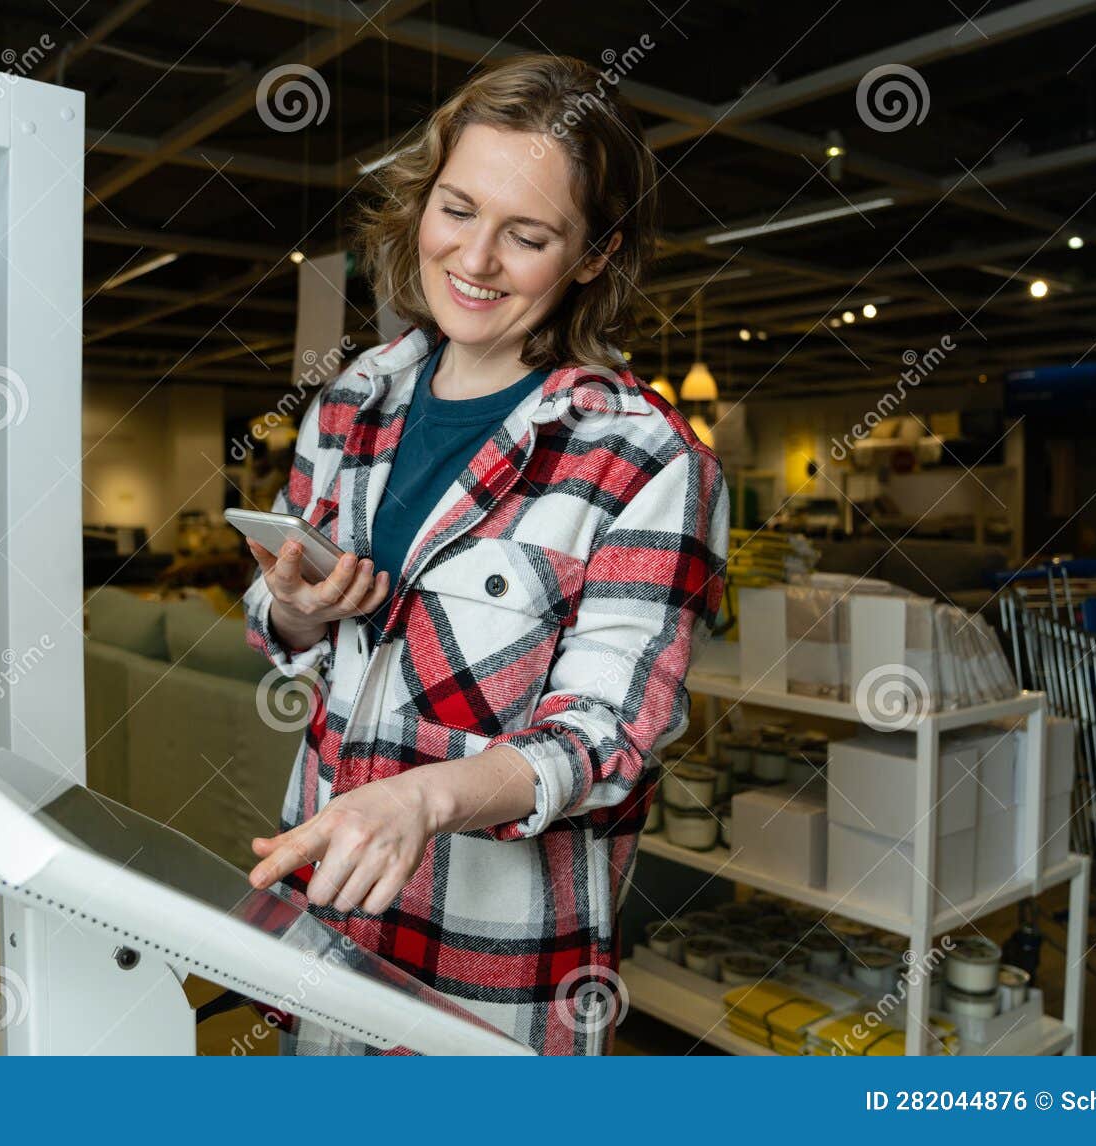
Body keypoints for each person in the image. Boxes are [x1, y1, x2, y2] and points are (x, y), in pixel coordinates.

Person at [240, 53, 729, 1055]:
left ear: (593, 256)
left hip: (490, 963)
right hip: (322, 913)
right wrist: (295, 607)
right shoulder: (352, 398)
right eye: (456, 210)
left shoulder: (646, 459)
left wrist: (424, 799)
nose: (475, 259)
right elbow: (278, 631)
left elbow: (606, 741)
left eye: (529, 235)